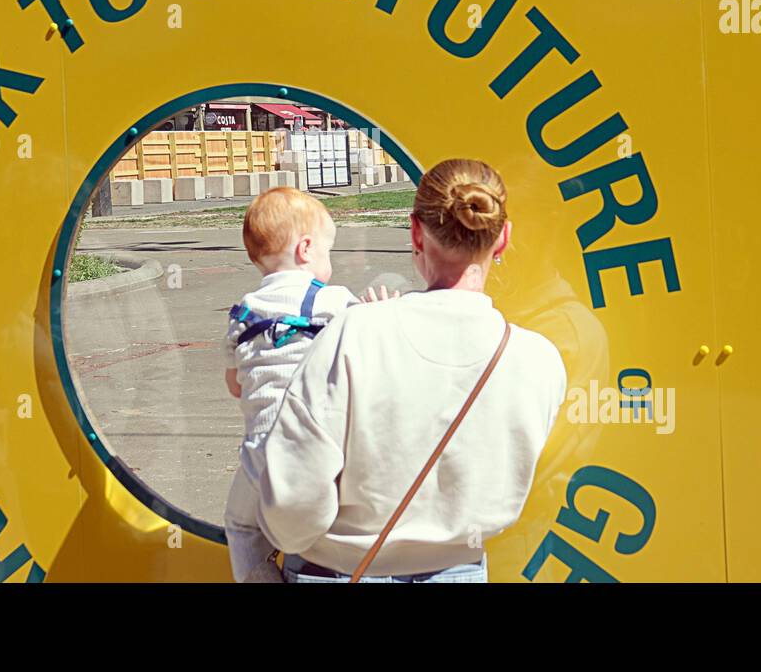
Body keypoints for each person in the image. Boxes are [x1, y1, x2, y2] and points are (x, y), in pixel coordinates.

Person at [256, 158, 568, 582]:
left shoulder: (353, 335)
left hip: (337, 570)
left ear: (416, 232)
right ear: (503, 239)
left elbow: (292, 499)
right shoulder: (538, 359)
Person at [221, 186, 360, 583]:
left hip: (260, 451)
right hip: (319, 444)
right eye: (327, 252)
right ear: (305, 250)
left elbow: (235, 384)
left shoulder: (242, 312)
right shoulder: (334, 301)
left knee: (243, 527)